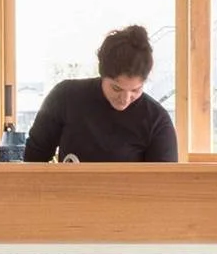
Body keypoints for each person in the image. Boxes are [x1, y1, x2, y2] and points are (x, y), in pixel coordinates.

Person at [23, 25, 178, 163]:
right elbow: (34, 158)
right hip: (69, 194)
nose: (125, 99)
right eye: (116, 88)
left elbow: (164, 184)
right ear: (102, 74)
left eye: (135, 90)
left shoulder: (157, 120)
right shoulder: (65, 97)